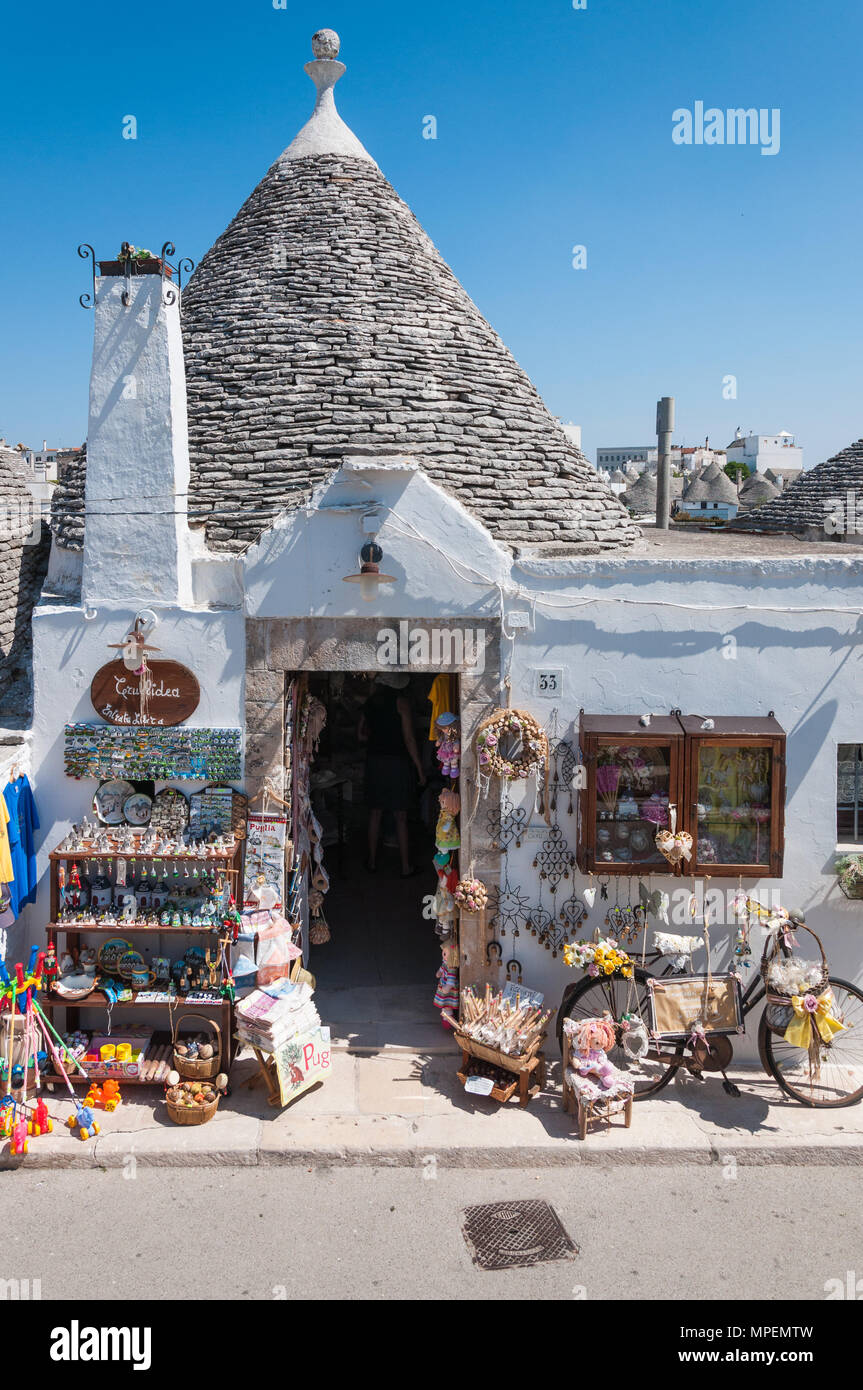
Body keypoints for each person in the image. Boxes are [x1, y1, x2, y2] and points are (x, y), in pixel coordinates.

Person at [359, 674, 426, 876]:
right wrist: (420, 769)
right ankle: (406, 867)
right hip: (397, 763)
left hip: (375, 762)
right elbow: (409, 739)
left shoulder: (369, 703)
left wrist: (377, 737)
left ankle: (371, 862)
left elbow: (360, 735)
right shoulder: (401, 702)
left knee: (375, 813)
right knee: (401, 816)